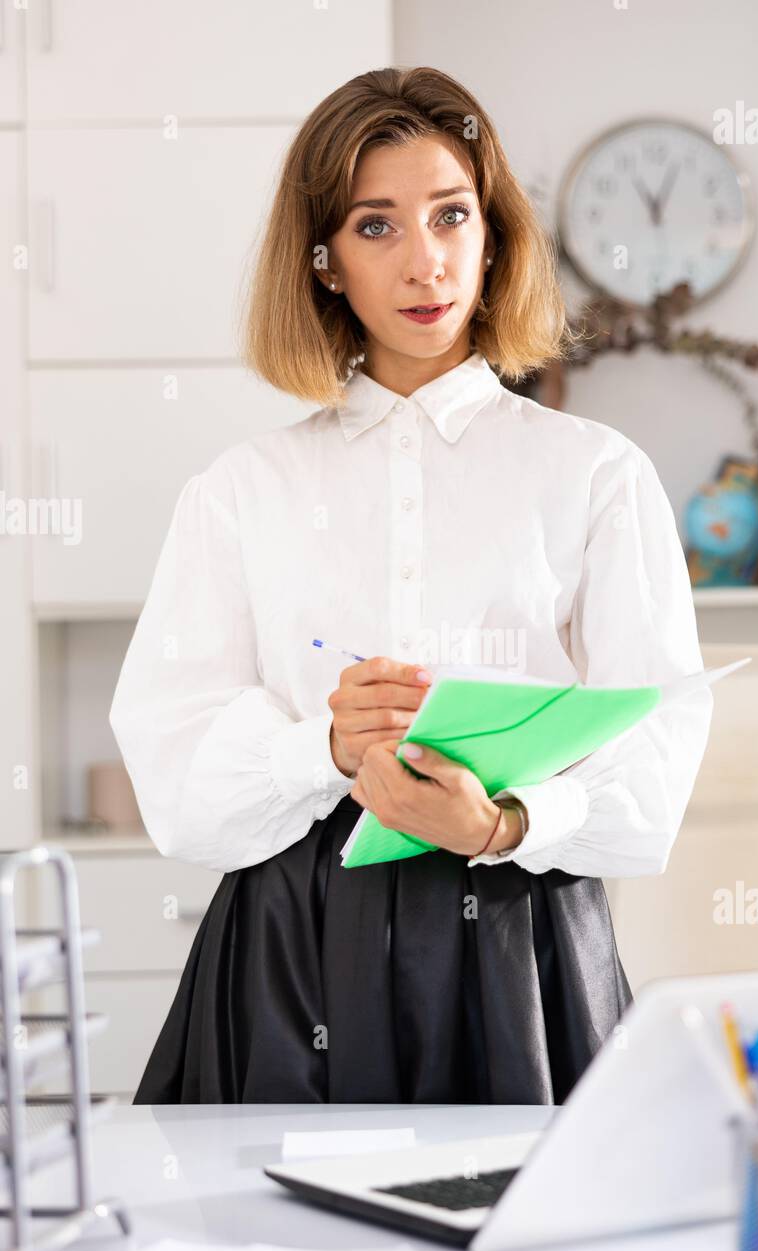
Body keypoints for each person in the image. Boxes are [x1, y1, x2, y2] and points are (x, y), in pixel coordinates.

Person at [108, 65, 713, 1105]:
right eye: (376, 225)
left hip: (522, 950)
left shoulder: (596, 473)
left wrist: (506, 825)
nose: (426, 260)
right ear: (326, 262)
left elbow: (656, 765)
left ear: (495, 236)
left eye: (451, 215)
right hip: (294, 949)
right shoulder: (242, 490)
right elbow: (175, 780)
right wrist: (325, 747)